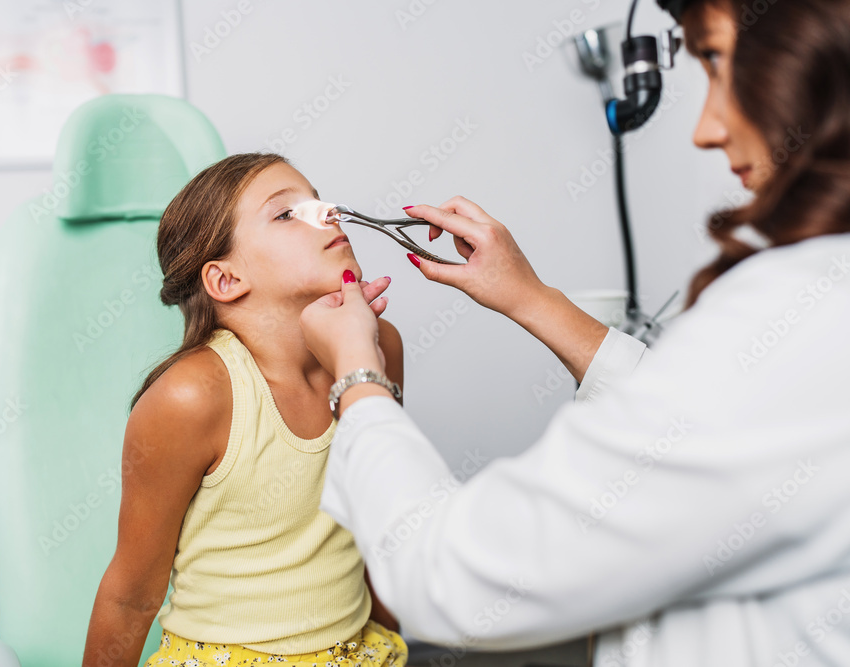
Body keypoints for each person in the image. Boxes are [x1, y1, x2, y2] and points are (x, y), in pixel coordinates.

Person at [299, 0, 850, 665]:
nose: (704, 129)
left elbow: (455, 577)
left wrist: (358, 376)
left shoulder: (793, 320)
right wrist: (530, 298)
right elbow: (699, 427)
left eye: (713, 59)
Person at [82, 153, 408, 667]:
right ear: (226, 280)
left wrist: (392, 635)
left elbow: (379, 514)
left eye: (318, 200)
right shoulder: (193, 397)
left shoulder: (376, 347)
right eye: (285, 214)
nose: (327, 213)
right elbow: (130, 596)